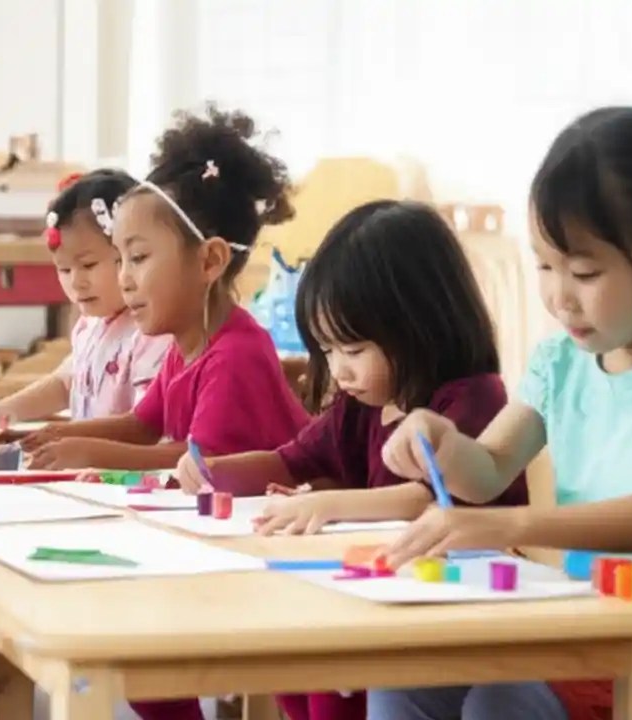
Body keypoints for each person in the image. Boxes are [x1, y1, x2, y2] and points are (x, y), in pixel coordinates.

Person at [371, 107, 632, 719]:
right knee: (403, 680)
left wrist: (513, 529)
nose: (559, 295)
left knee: (501, 702)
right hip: (594, 626)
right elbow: (485, 469)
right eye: (545, 264)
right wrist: (439, 439)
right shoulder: (560, 362)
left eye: (585, 272)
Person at [170, 200, 527, 720]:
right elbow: (288, 460)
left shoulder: (471, 399)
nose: (339, 371)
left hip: (459, 616)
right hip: (383, 602)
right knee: (292, 664)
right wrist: (215, 470)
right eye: (328, 351)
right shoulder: (361, 406)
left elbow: (425, 502)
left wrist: (332, 505)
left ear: (419, 323)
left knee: (328, 673)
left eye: (353, 350)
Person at [24, 105, 311, 485]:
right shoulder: (187, 346)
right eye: (120, 259)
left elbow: (196, 459)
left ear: (210, 260)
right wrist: (59, 434)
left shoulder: (235, 355)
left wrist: (87, 451)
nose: (124, 280)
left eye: (138, 257)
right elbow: (141, 425)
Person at [0, 170, 170, 422]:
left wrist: (72, 439)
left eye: (89, 265)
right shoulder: (89, 327)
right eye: (64, 269)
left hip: (119, 459)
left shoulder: (151, 333)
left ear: (131, 253)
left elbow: (144, 424)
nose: (76, 282)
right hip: (85, 456)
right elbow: (64, 384)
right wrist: (6, 410)